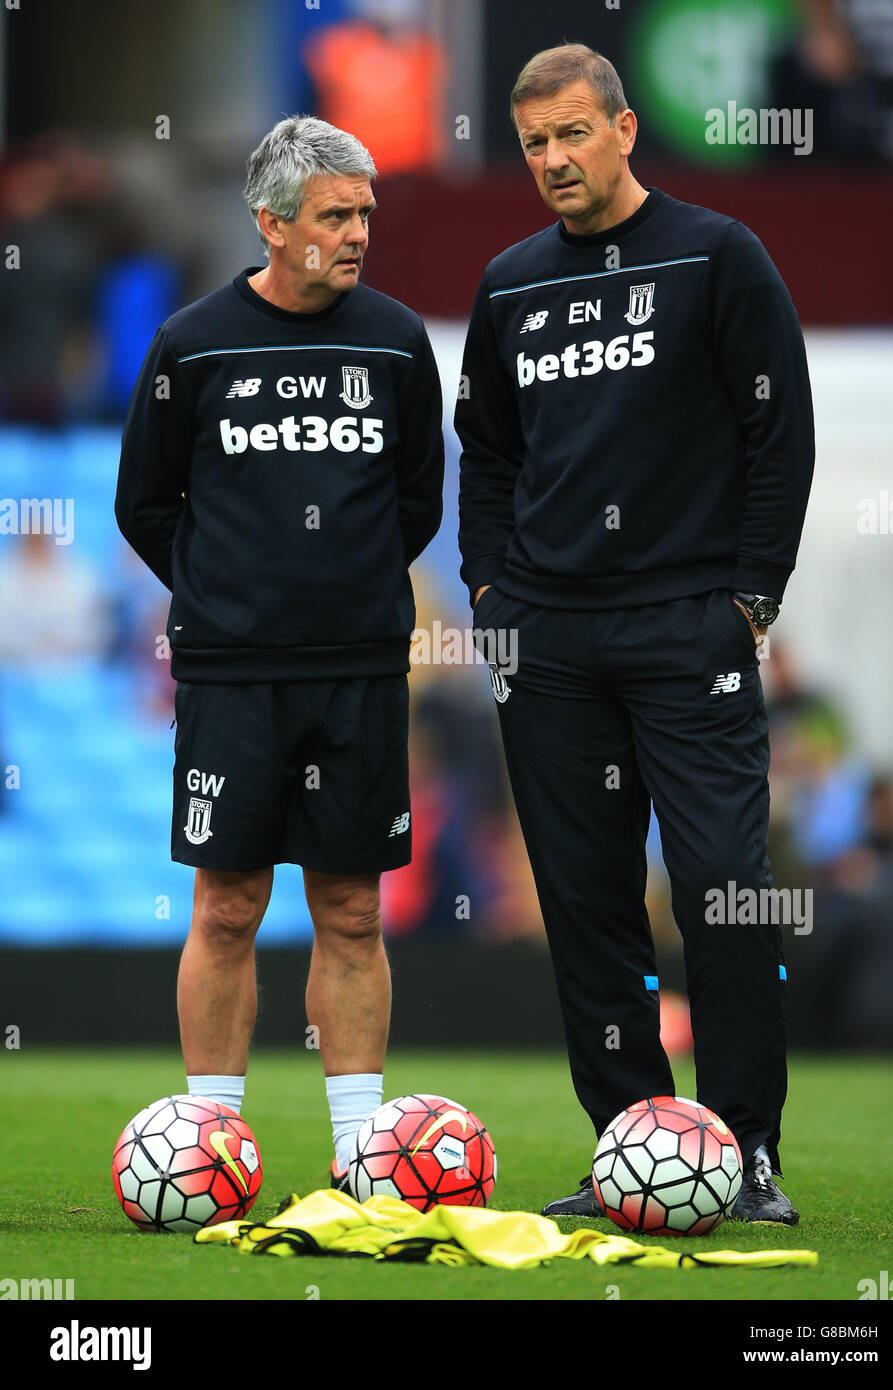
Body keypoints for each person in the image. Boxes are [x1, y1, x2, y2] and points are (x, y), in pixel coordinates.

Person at [456, 44, 814, 1223]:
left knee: (722, 890)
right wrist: (493, 600)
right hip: (548, 640)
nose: (552, 161)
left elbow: (780, 437)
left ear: (621, 129)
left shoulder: (718, 255)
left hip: (686, 627)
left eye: (570, 134)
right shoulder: (506, 282)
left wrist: (749, 600)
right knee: (587, 906)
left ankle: (745, 1153)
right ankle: (628, 1151)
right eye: (532, 145)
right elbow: (490, 461)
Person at [115, 115, 444, 1186]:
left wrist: (335, 594)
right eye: (335, 215)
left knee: (351, 908)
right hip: (231, 674)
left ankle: (361, 1154)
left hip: (357, 670)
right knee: (228, 903)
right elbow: (145, 505)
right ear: (271, 222)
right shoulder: (191, 345)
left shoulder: (395, 342)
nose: (357, 233)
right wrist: (234, 598)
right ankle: (214, 1144)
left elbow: (415, 505)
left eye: (365, 214)